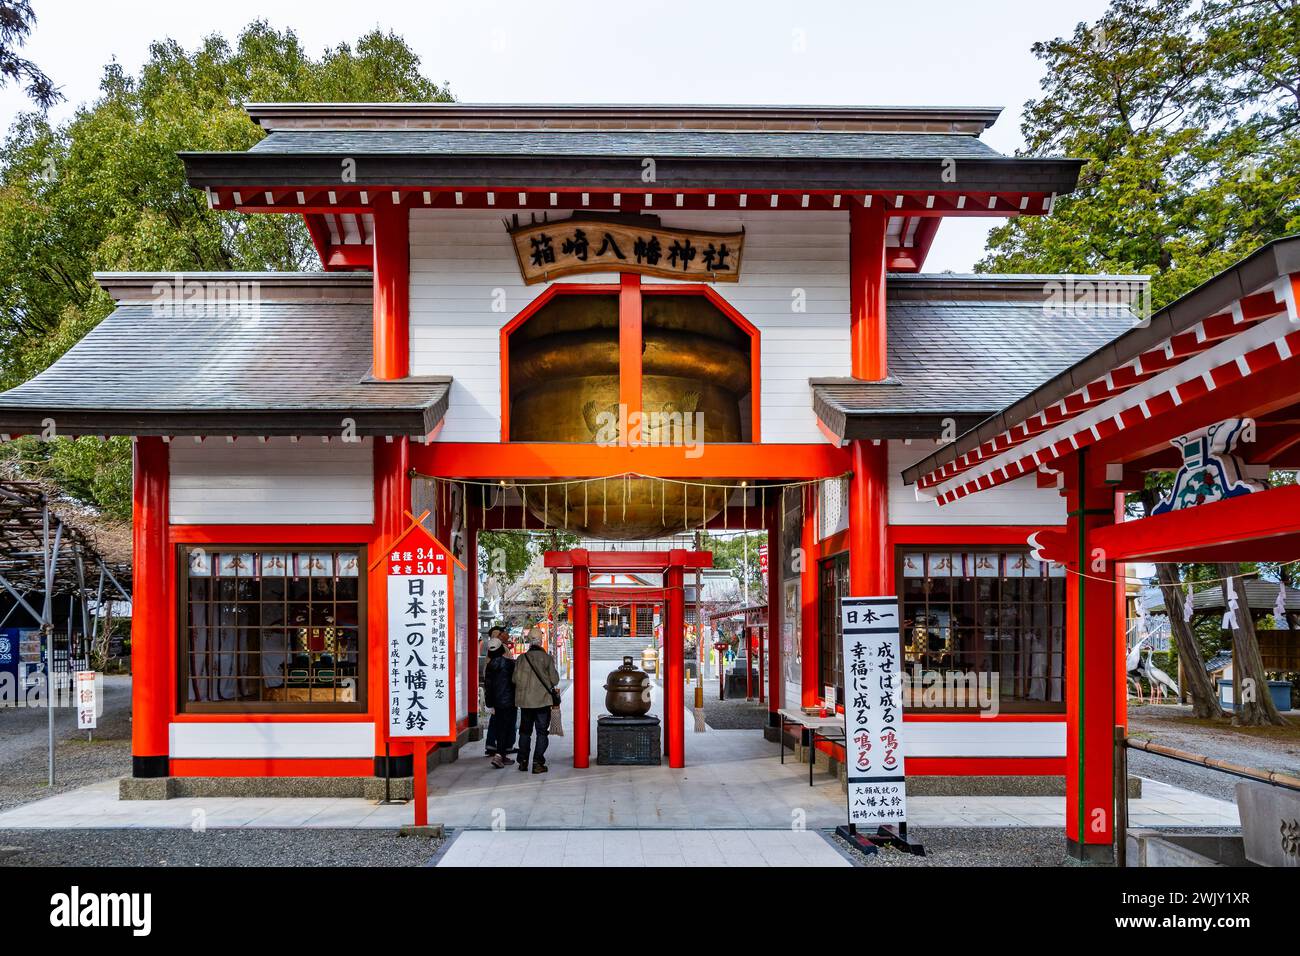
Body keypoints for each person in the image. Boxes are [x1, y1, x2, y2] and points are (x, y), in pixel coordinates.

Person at [511, 627, 561, 774]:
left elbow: (514, 679)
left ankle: (523, 761)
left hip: (526, 702)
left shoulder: (521, 659)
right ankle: (538, 762)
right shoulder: (546, 658)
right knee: (541, 732)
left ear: (528, 641)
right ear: (541, 641)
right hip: (542, 702)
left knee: (525, 732)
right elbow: (555, 680)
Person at [482, 632, 517, 768]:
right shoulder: (509, 664)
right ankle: (500, 755)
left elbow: (488, 687)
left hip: (497, 702)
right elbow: (515, 681)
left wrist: (490, 703)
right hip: (509, 701)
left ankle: (501, 754)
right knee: (506, 728)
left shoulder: (490, 667)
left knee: (499, 727)